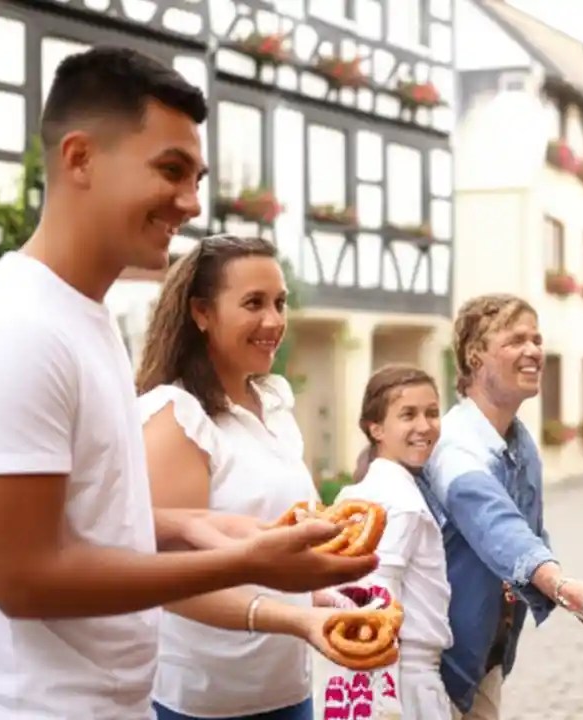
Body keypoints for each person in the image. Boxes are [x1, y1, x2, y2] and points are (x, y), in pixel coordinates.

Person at [0, 47, 375, 719]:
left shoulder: (81, 319)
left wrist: (194, 526)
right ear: (79, 159)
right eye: (170, 171)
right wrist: (254, 566)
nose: (190, 203)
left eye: (198, 176)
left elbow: (76, 517)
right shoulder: (12, 326)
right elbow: (25, 578)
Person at [135, 235, 356, 720]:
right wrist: (298, 620)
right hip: (204, 704)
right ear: (201, 313)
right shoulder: (177, 417)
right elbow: (169, 582)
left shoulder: (274, 406)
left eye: (280, 303)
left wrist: (325, 594)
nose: (274, 321)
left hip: (286, 692)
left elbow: (283, 542)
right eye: (253, 303)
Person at [423, 294, 583, 719]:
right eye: (515, 340)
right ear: (475, 357)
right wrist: (559, 585)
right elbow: (495, 524)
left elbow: (530, 531)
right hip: (436, 666)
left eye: (537, 339)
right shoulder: (455, 446)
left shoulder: (520, 443)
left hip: (483, 659)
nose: (534, 351)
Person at [312, 364, 455, 720]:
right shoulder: (401, 505)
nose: (424, 426)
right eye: (408, 415)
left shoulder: (360, 493)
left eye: (432, 413)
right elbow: (375, 604)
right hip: (402, 682)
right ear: (375, 428)